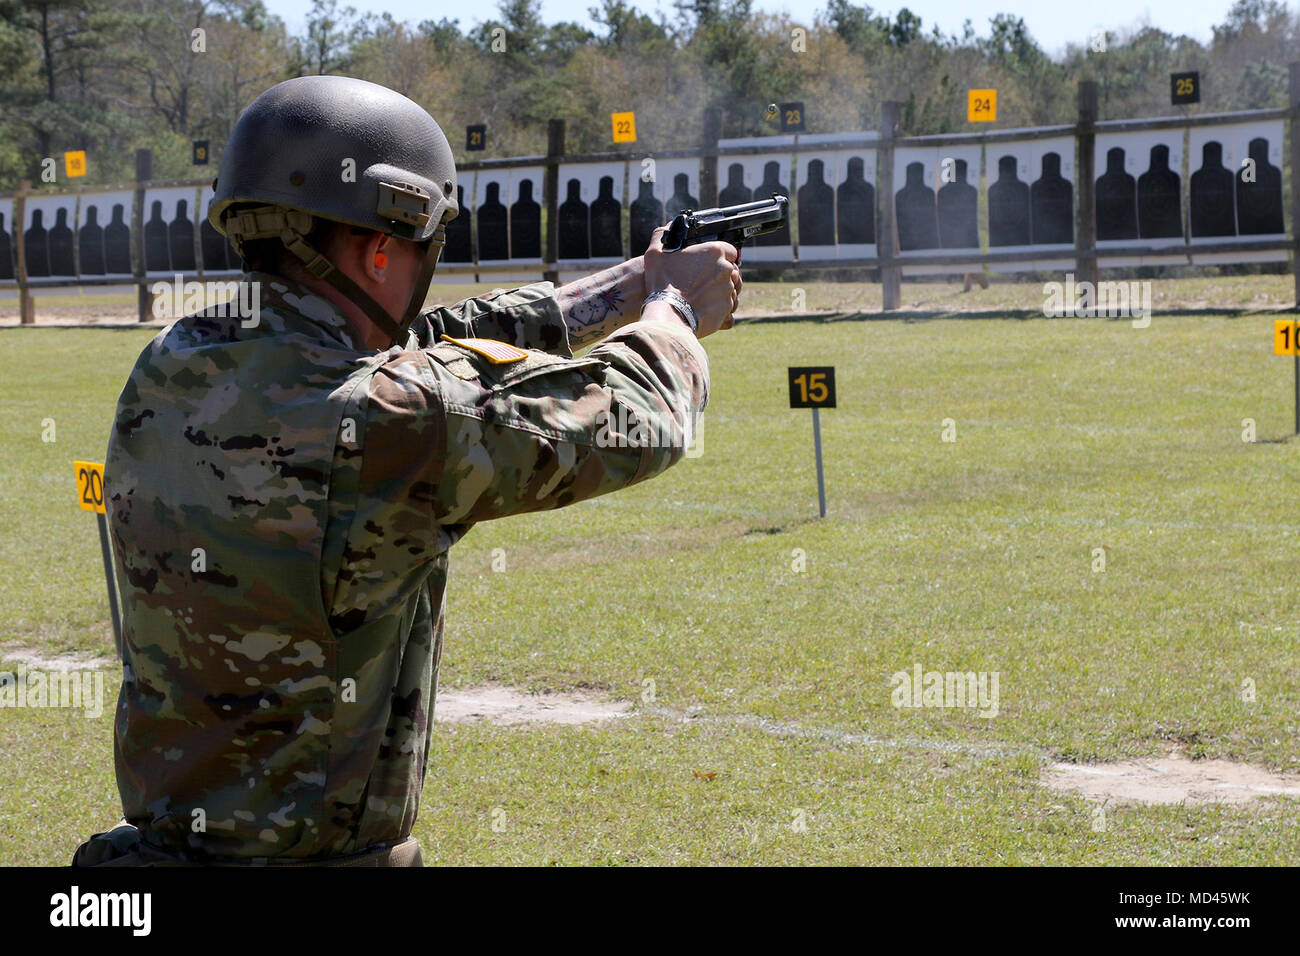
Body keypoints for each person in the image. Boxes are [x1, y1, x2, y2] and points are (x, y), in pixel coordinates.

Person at [72, 75, 740, 867]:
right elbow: (640, 414)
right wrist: (677, 312)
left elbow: (417, 342)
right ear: (385, 246)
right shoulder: (391, 418)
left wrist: (632, 285)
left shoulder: (171, 363)